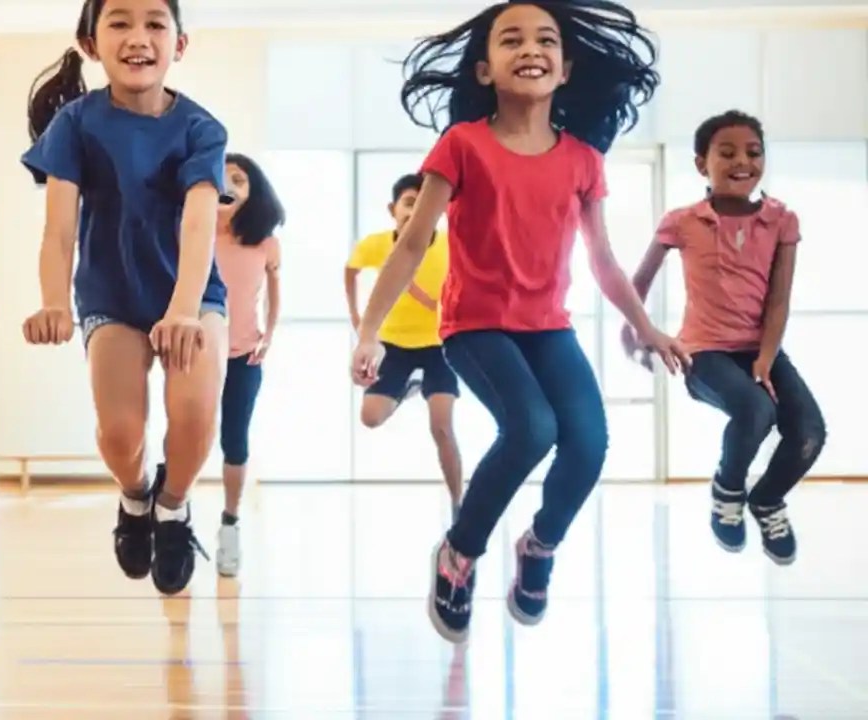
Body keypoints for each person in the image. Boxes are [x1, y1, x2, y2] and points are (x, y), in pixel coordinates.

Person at [351, 0, 690, 643]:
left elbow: (605, 261)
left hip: (548, 327)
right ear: (485, 70)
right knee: (532, 427)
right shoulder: (462, 146)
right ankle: (460, 553)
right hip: (475, 326)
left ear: (565, 69)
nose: (530, 48)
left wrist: (649, 328)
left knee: (588, 441)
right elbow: (413, 242)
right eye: (511, 39)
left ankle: (539, 547)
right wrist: (368, 331)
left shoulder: (584, 160)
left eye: (546, 40)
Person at [20, 0, 228, 596]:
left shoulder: (200, 129)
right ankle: (136, 496)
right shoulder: (76, 125)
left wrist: (184, 310)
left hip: (191, 296)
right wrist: (54, 301)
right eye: (119, 22)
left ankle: (173, 506)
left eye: (155, 23)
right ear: (91, 42)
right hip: (111, 296)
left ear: (179, 45)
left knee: (193, 413)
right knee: (119, 433)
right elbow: (59, 228)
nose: (138, 36)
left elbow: (198, 225)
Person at [623, 110, 824, 566]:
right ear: (702, 164)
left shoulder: (781, 220)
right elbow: (639, 281)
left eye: (754, 153)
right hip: (704, 352)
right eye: (727, 152)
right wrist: (633, 331)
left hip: (760, 348)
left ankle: (768, 500)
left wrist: (766, 359)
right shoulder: (682, 221)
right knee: (756, 411)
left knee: (809, 433)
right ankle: (727, 490)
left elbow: (778, 300)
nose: (742, 162)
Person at [345, 172, 463, 513]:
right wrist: (358, 319)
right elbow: (351, 270)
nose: (415, 211)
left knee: (442, 427)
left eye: (424, 204)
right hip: (393, 345)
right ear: (392, 209)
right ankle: (409, 386)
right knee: (370, 417)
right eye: (409, 203)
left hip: (439, 346)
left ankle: (458, 503)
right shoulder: (375, 244)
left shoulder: (451, 244)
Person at [213, 152, 284, 577]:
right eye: (220, 178)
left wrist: (270, 335)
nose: (229, 185)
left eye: (238, 179)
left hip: (244, 356)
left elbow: (276, 293)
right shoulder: (193, 233)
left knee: (234, 442)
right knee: (183, 437)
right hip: (198, 357)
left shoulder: (265, 242)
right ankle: (173, 517)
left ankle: (230, 523)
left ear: (252, 190)